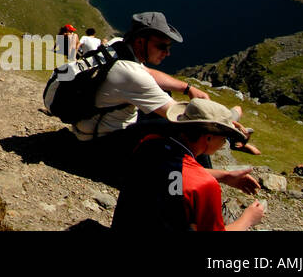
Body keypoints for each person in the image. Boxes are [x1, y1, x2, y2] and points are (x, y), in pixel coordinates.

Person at [73, 12, 258, 158]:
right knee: (188, 132)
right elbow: (185, 117)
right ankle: (198, 178)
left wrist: (188, 88)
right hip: (99, 144)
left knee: (166, 94)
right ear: (140, 41)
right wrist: (225, 124)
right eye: (162, 46)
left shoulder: (116, 47)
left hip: (88, 128)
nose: (167, 53)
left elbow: (148, 73)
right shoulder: (133, 76)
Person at [113, 99, 265, 231]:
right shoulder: (205, 185)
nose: (223, 143)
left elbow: (174, 178)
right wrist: (248, 219)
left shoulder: (149, 144)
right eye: (224, 138)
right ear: (208, 138)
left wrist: (224, 176)